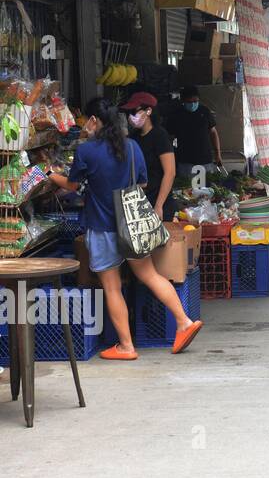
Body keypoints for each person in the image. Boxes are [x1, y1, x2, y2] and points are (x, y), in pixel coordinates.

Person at [46, 99, 201, 358]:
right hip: (131, 224)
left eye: (86, 120)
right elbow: (142, 183)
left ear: (94, 120)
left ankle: (127, 346)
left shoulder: (87, 150)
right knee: (150, 275)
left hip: (102, 226)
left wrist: (49, 174)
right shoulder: (132, 146)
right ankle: (184, 322)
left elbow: (72, 186)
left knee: (112, 287)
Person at [120, 92, 177, 221]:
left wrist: (159, 205)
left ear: (148, 111)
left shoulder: (160, 136)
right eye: (128, 113)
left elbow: (170, 173)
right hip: (138, 203)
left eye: (134, 111)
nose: (130, 116)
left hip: (158, 202)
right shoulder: (133, 138)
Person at [171, 85, 222, 184]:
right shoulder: (176, 115)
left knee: (207, 188)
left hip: (205, 160)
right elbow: (170, 137)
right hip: (185, 161)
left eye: (195, 101)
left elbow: (213, 132)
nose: (193, 104)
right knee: (188, 188)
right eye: (189, 102)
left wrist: (218, 154)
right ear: (183, 101)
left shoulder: (205, 112)